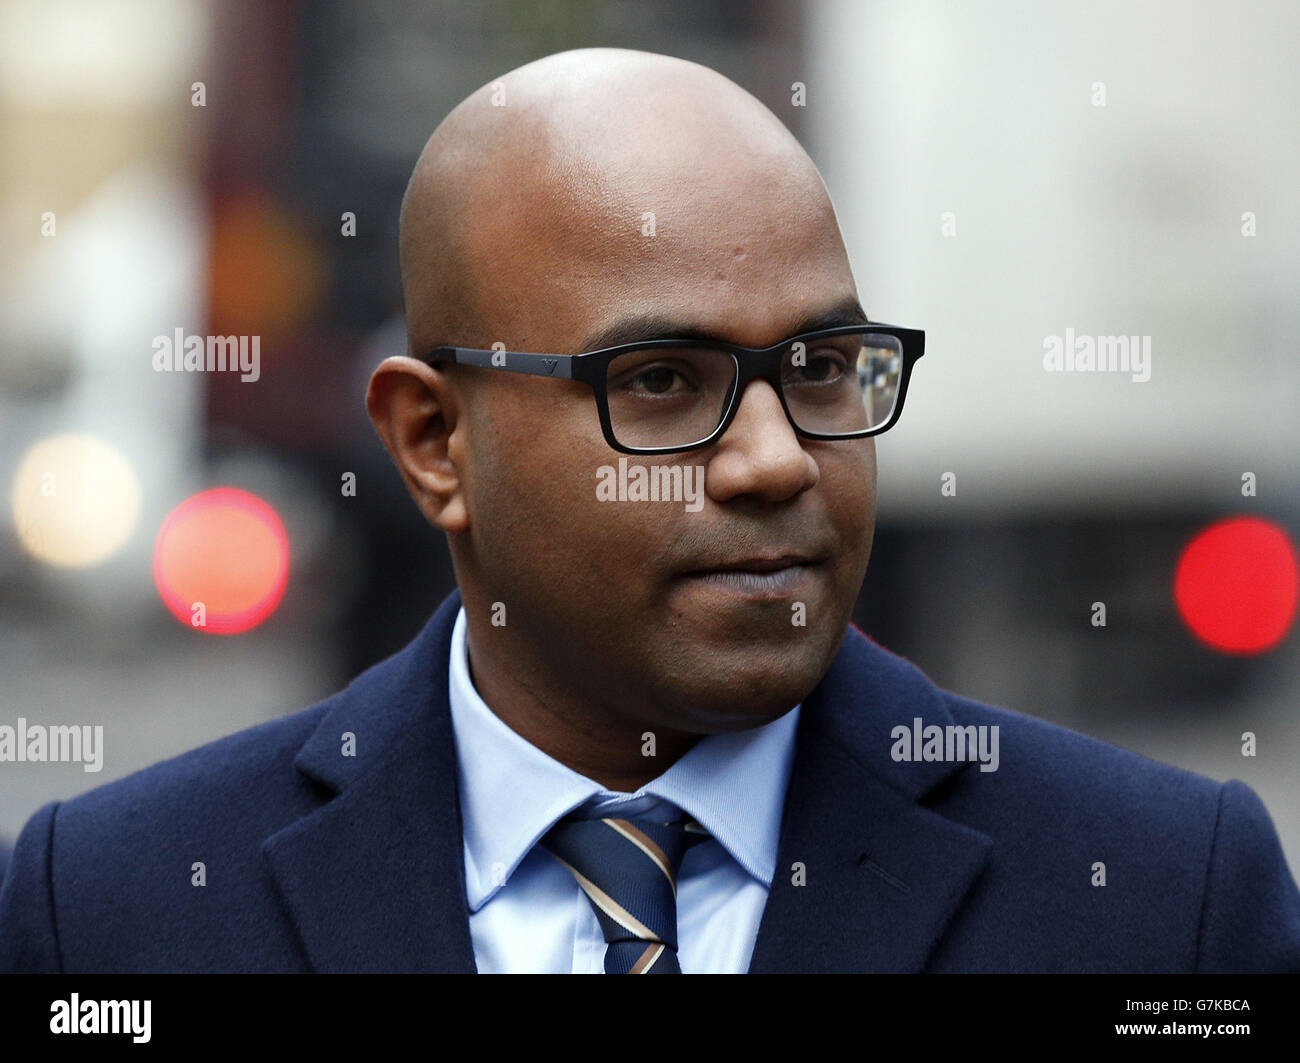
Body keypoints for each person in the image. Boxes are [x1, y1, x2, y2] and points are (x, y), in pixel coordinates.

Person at [1, 48, 1297, 974]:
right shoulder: (111, 907)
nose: (777, 460)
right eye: (666, 382)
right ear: (435, 441)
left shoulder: (1165, 896)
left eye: (824, 368)